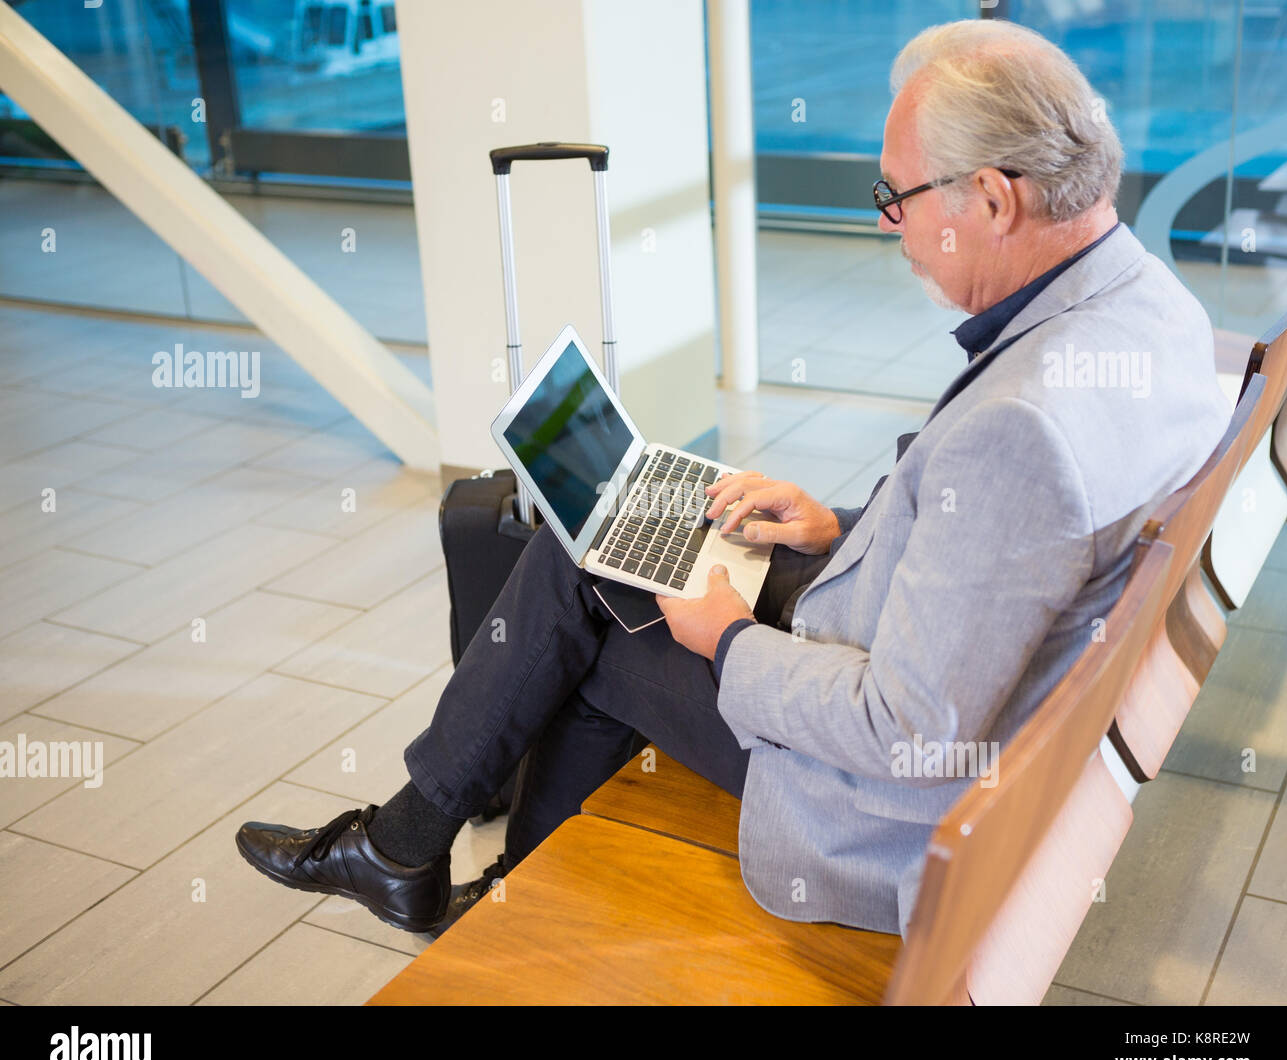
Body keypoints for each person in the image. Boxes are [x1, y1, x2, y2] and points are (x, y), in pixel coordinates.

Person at [236, 19, 1232, 937]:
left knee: (587, 596)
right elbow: (1012, 554)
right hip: (967, 688)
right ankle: (424, 853)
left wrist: (730, 640)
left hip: (879, 809)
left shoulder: (1023, 426)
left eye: (896, 198)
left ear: (994, 197)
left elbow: (905, 726)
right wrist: (833, 530)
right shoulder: (1154, 305)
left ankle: (447, 876)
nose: (888, 228)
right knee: (602, 546)